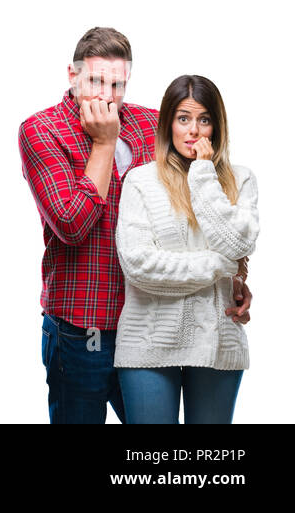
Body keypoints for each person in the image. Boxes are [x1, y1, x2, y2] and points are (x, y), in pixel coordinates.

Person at [19, 27, 253, 424]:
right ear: (72, 76)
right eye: (94, 81)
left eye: (117, 84)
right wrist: (105, 143)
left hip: (151, 323)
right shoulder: (41, 130)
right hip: (84, 325)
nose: (106, 96)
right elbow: (72, 224)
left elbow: (196, 210)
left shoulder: (151, 124)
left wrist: (234, 276)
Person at [114, 75, 258, 424]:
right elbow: (139, 265)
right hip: (148, 345)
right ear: (168, 124)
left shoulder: (240, 179)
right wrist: (218, 265)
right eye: (183, 118)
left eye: (204, 119)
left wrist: (203, 174)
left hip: (218, 343)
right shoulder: (140, 180)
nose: (193, 130)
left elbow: (239, 243)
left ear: (217, 126)